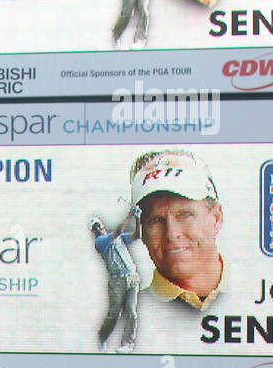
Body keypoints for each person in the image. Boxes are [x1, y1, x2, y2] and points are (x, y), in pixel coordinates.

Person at [129, 149, 225, 311]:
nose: (171, 234)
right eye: (156, 220)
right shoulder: (130, 316)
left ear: (216, 218)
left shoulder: (263, 291)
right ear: (141, 230)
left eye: (185, 215)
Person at [90, 208, 141, 352]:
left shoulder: (118, 237)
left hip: (132, 277)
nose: (98, 228)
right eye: (95, 228)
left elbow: (137, 236)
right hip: (117, 281)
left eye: (98, 225)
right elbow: (117, 232)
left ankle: (128, 344)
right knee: (114, 314)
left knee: (131, 312)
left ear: (102, 225)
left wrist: (137, 219)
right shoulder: (100, 242)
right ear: (93, 232)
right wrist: (129, 215)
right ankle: (102, 337)